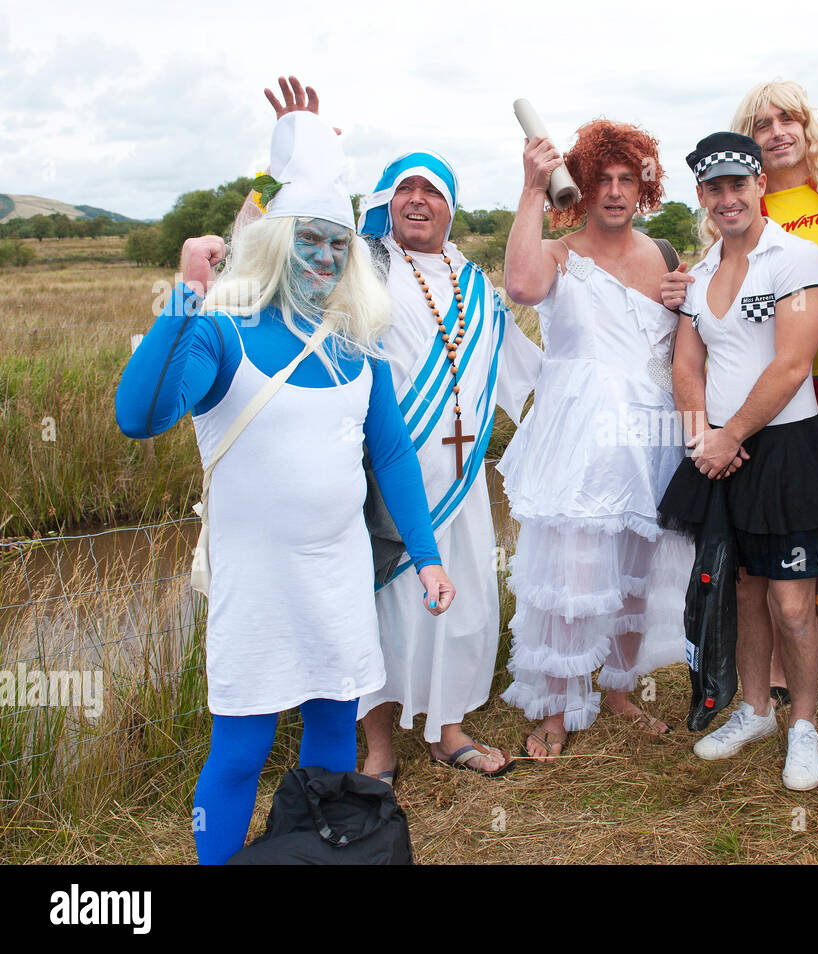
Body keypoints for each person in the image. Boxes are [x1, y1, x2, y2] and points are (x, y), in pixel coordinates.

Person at [115, 80, 453, 864]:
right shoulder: (221, 334)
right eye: (309, 240)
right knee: (240, 748)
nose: (325, 258)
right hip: (256, 582)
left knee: (335, 730)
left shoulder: (357, 351)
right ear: (277, 242)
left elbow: (393, 455)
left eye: (339, 245)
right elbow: (142, 416)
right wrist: (184, 297)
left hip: (335, 571)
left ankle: (315, 855)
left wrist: (428, 555)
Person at [659, 132, 818, 791]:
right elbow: (686, 362)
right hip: (717, 449)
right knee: (741, 591)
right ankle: (755, 710)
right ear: (703, 197)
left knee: (794, 604)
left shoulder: (796, 257)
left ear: (760, 186)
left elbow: (794, 362)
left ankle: (804, 726)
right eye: (714, 188)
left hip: (785, 450)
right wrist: (699, 434)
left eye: (738, 184)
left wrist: (730, 432)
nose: (727, 197)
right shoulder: (702, 269)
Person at [499, 119, 691, 760]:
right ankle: (555, 709)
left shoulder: (664, 256)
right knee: (575, 572)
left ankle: (618, 689)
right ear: (579, 186)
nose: (614, 191)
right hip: (579, 441)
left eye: (627, 179)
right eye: (601, 179)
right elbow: (521, 288)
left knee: (637, 571)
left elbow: (690, 337)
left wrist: (688, 296)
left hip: (650, 436)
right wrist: (531, 188)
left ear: (644, 187)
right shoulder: (558, 253)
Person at [354, 146, 542, 779]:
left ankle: (446, 728)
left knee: (459, 606)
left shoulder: (478, 287)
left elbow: (528, 372)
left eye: (431, 192)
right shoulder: (365, 269)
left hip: (460, 483)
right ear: (384, 200)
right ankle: (379, 745)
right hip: (389, 478)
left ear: (449, 207)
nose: (417, 201)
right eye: (404, 189)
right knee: (383, 604)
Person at [729, 79, 818, 727]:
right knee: (781, 527)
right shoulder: (741, 204)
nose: (777, 131)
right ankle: (780, 669)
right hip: (771, 388)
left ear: (809, 126)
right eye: (762, 123)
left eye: (788, 118)